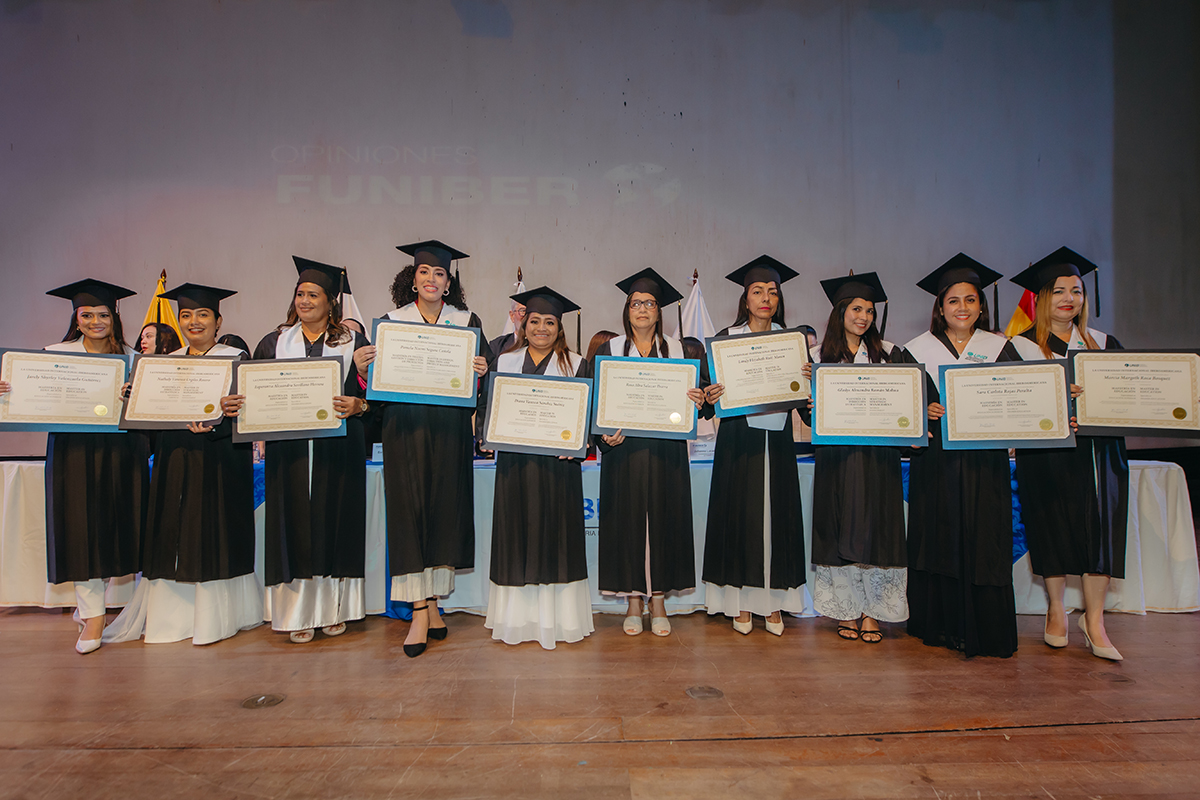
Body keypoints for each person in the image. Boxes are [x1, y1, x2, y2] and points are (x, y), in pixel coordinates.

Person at [105, 283, 262, 646]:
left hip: (222, 462)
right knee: (174, 531)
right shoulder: (163, 364)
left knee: (217, 531)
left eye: (203, 315)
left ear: (218, 321)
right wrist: (136, 397)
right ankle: (173, 619)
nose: (194, 322)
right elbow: (152, 422)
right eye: (187, 315)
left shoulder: (237, 358)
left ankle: (219, 618)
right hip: (175, 461)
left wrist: (224, 418)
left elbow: (253, 416)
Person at [226, 257, 371, 644]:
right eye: (300, 294)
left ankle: (335, 609)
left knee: (334, 521)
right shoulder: (274, 343)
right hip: (288, 453)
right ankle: (296, 613)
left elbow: (376, 398)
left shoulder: (354, 343)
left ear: (330, 302)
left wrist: (361, 404)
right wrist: (237, 407)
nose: (305, 301)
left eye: (314, 294)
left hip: (339, 451)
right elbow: (252, 396)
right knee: (292, 524)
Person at [358, 240, 488, 658]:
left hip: (450, 431)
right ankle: (417, 609)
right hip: (405, 430)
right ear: (412, 279)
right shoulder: (391, 323)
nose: (432, 280)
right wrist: (363, 371)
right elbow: (372, 391)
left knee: (444, 513)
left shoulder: (466, 321)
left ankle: (433, 603)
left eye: (440, 274)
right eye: (424, 273)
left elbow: (478, 387)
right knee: (410, 514)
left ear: (449, 284)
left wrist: (480, 372)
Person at [12, 280, 148, 654]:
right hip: (73, 451)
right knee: (79, 530)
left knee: (115, 526)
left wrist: (133, 396)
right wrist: (11, 390)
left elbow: (148, 411)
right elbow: (30, 397)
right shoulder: (56, 354)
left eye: (102, 314)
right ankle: (92, 614)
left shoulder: (133, 359)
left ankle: (108, 602)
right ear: (76, 318)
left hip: (120, 451)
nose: (94, 321)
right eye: (86, 315)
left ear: (114, 317)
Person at [1008, 247, 1126, 661]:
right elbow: (1011, 407)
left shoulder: (1106, 344)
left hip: (1098, 454)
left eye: (1076, 291)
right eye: (1059, 291)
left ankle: (1095, 621)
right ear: (1040, 298)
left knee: (1100, 534)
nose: (1068, 299)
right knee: (1052, 528)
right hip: (1047, 456)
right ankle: (1056, 610)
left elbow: (1127, 400)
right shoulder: (1020, 349)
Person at [901, 255, 1020, 657]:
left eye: (970, 300)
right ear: (940, 307)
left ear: (981, 306)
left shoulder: (1001, 348)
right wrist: (922, 414)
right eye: (954, 301)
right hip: (936, 464)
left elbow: (1020, 400)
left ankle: (986, 628)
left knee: (985, 538)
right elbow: (900, 411)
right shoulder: (915, 350)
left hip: (986, 463)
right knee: (938, 536)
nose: (963, 308)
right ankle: (939, 625)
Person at [592, 269, 705, 637]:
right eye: (635, 303)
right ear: (627, 310)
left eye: (650, 303)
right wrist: (603, 435)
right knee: (625, 521)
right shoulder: (608, 350)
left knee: (665, 519)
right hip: (623, 450)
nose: (642, 309)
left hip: (665, 451)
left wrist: (698, 400)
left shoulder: (680, 351)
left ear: (659, 311)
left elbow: (699, 405)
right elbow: (596, 405)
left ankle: (658, 599)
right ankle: (632, 601)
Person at [481, 286, 594, 649]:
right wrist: (487, 434)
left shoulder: (577, 365)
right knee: (515, 536)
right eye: (534, 321)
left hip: (559, 469)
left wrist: (580, 444)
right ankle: (516, 619)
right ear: (523, 325)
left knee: (557, 538)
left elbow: (588, 416)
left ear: (559, 327)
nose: (541, 328)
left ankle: (559, 620)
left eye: (549, 322)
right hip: (514, 465)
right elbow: (488, 407)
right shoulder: (505, 361)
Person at [701, 256, 808, 636]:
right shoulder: (726, 341)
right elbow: (706, 404)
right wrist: (710, 396)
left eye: (772, 292)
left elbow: (807, 407)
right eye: (757, 291)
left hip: (777, 439)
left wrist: (811, 383)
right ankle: (741, 601)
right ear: (745, 299)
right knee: (739, 515)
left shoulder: (791, 341)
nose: (766, 298)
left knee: (777, 515)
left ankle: (774, 602)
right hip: (738, 441)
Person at [810, 272, 908, 644]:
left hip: (879, 459)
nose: (864, 317)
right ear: (840, 312)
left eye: (869, 310)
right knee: (839, 531)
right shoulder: (817, 357)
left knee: (876, 532)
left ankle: (873, 612)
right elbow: (807, 414)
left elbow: (906, 406)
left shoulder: (891, 354)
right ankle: (846, 610)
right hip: (837, 459)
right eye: (856, 309)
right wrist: (811, 402)